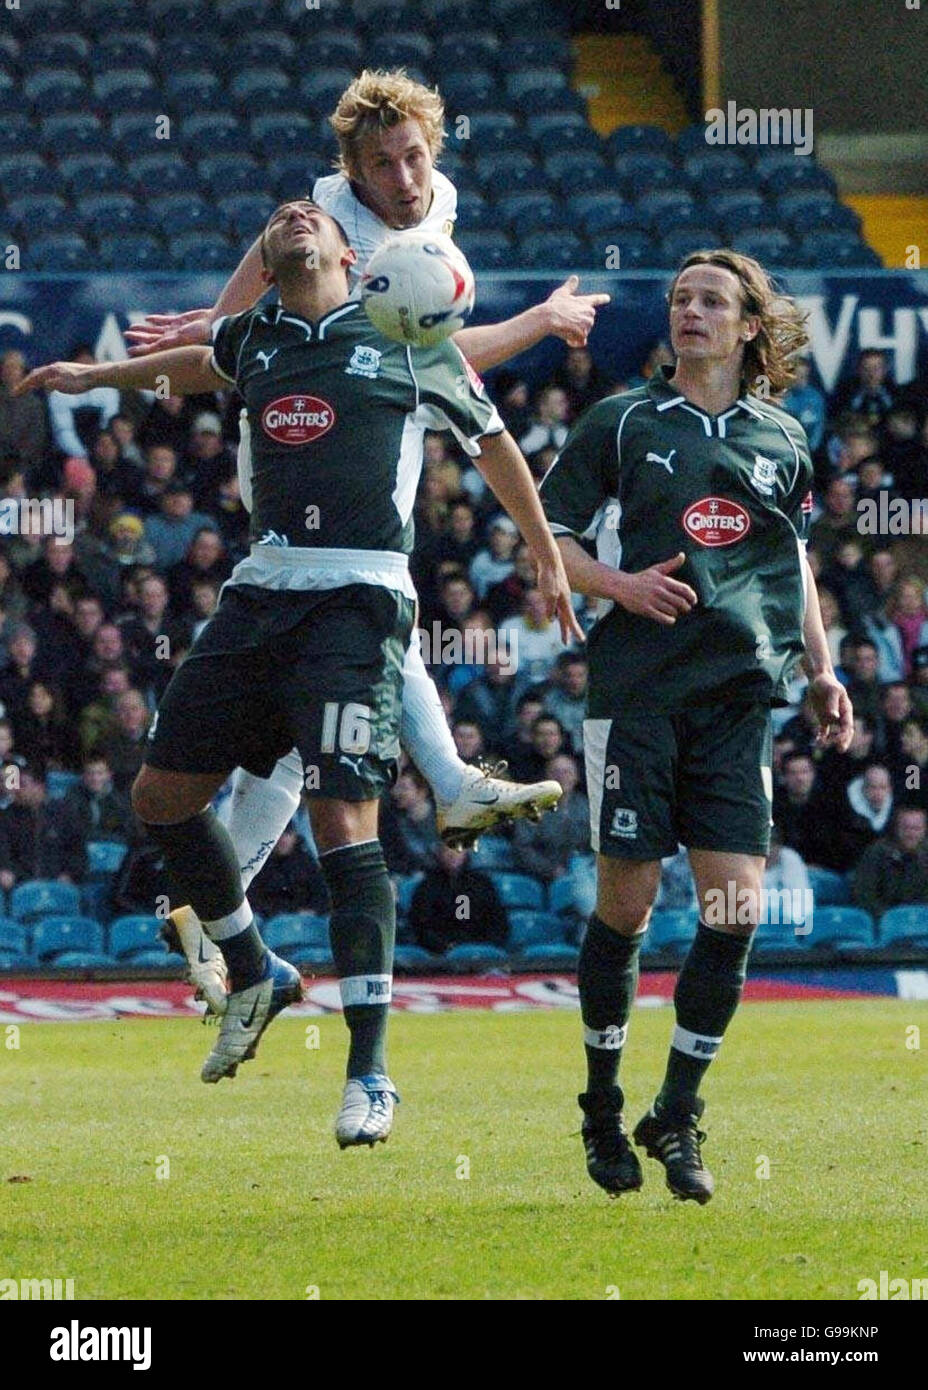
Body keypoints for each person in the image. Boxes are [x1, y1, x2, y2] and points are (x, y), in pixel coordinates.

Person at [17, 199, 580, 1146]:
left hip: (357, 596)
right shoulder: (258, 332)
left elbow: (492, 444)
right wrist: (93, 374)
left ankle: (370, 1073)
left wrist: (548, 556)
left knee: (343, 829)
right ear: (270, 264)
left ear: (347, 251)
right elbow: (196, 361)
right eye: (279, 219)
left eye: (306, 214)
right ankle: (257, 967)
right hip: (258, 591)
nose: (291, 216)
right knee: (159, 798)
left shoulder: (407, 334)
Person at [123, 69, 600, 937]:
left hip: (369, 409)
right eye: (385, 165)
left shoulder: (439, 199)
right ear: (353, 174)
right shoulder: (331, 220)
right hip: (300, 429)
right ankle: (452, 781)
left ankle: (210, 911)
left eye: (415, 157)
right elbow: (239, 329)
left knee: (308, 697)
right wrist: (539, 320)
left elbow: (436, 355)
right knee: (368, 586)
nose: (407, 179)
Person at [539, 248, 853, 1203]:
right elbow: (546, 537)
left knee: (734, 910)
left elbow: (792, 557)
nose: (692, 312)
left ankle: (677, 1112)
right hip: (637, 696)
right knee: (627, 908)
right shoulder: (622, 421)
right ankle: (600, 1103)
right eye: (681, 299)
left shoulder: (782, 438)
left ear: (749, 326)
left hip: (735, 702)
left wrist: (825, 666)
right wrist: (621, 584)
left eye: (712, 300)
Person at [408, 843, 508, 955]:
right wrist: (445, 946)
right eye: (448, 851)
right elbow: (421, 926)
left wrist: (485, 946)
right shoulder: (427, 887)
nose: (453, 855)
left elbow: (498, 920)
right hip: (440, 955)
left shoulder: (482, 884)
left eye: (458, 851)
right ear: (439, 854)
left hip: (482, 952)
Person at [852, 804, 928, 923]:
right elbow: (864, 895)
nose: (911, 834)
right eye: (906, 828)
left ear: (924, 830)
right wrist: (891, 919)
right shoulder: (877, 852)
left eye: (916, 828)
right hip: (885, 923)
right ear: (897, 828)